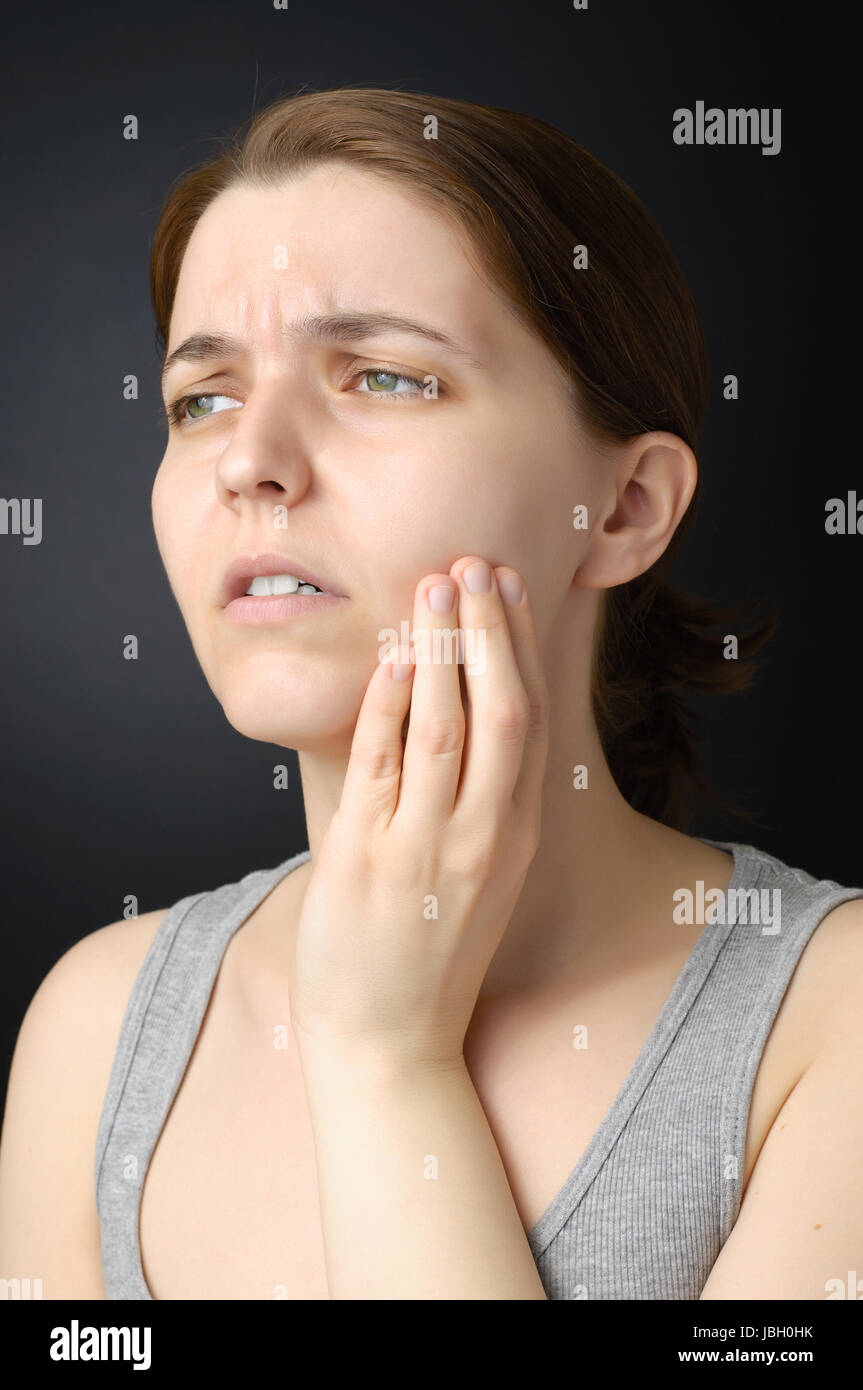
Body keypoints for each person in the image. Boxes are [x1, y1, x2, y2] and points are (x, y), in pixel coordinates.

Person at [1, 86, 861, 1302]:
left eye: (383, 377)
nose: (248, 460)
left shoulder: (831, 1027)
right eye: (203, 398)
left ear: (620, 510)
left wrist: (381, 1056)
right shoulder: (97, 1029)